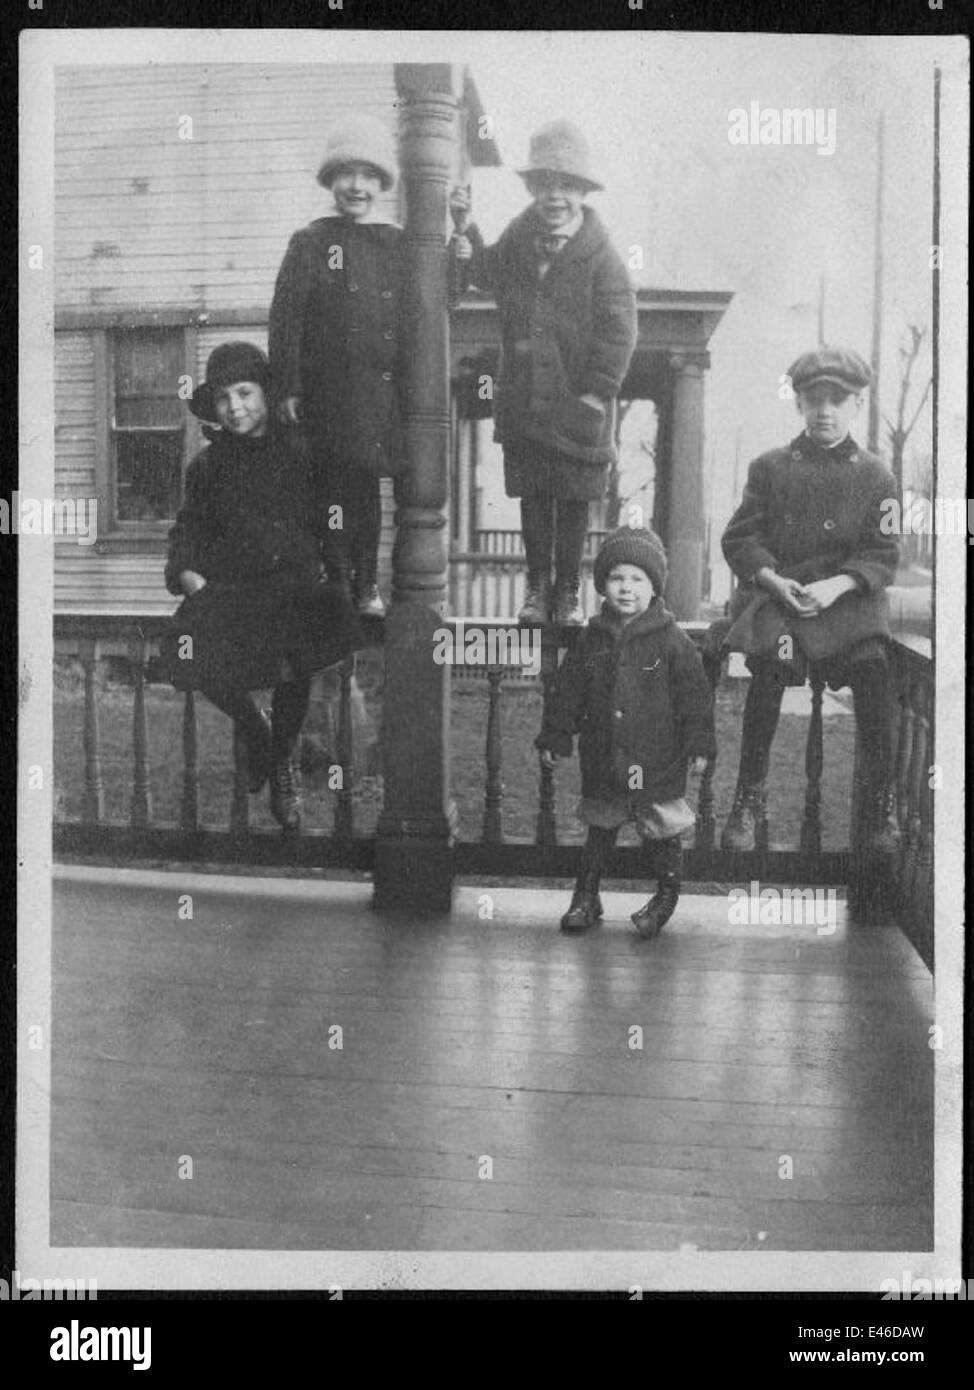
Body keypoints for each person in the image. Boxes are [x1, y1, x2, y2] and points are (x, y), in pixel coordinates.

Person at [163, 342, 363, 832]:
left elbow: (331, 521)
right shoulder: (206, 469)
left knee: (297, 658)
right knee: (186, 650)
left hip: (293, 586)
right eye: (224, 399)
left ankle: (283, 764)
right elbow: (187, 532)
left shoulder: (299, 455)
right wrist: (188, 576)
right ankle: (258, 731)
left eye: (245, 392)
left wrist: (339, 573)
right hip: (233, 590)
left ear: (266, 395)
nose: (235, 408)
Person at [451, 119, 637, 625]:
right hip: (526, 397)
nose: (555, 197)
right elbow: (484, 272)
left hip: (578, 401)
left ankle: (569, 590)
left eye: (567, 186)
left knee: (575, 496)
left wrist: (597, 394)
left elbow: (620, 331)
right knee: (533, 494)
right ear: (532, 188)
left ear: (582, 191)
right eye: (545, 185)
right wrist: (465, 233)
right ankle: (536, 589)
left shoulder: (604, 258)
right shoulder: (518, 239)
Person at [720, 346, 901, 854]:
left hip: (844, 606)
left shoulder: (877, 476)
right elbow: (740, 538)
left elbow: (884, 551)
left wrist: (841, 584)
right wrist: (774, 582)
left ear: (857, 405)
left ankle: (880, 807)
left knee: (874, 673)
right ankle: (748, 797)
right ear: (798, 403)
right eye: (814, 399)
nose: (825, 410)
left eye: (837, 400)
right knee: (771, 668)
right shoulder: (771, 467)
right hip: (785, 600)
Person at [535, 526, 715, 936]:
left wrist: (700, 744)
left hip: (659, 760)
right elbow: (568, 692)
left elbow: (695, 698)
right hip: (604, 757)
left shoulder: (673, 641)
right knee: (600, 825)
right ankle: (586, 895)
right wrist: (557, 734)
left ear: (654, 588)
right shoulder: (591, 639)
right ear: (602, 585)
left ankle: (665, 898)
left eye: (638, 579)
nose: (626, 588)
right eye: (617, 578)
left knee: (663, 827)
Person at [269, 114, 406, 617]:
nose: (357, 186)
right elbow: (286, 319)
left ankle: (367, 584)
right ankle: (337, 577)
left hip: (375, 396)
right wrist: (287, 386)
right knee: (329, 494)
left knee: (366, 493)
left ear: (381, 184)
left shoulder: (396, 243)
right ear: (331, 181)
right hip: (326, 397)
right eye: (346, 174)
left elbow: (432, 306)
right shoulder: (311, 241)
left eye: (368, 176)